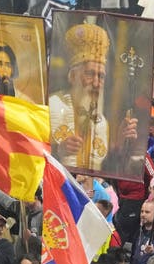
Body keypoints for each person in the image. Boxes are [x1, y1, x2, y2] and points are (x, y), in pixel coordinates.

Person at [50, 21, 137, 172]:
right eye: (89, 74)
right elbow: (32, 152)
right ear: (72, 76)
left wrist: (120, 141)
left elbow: (103, 168)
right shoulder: (52, 106)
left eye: (101, 76)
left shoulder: (102, 122)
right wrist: (58, 150)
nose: (96, 83)